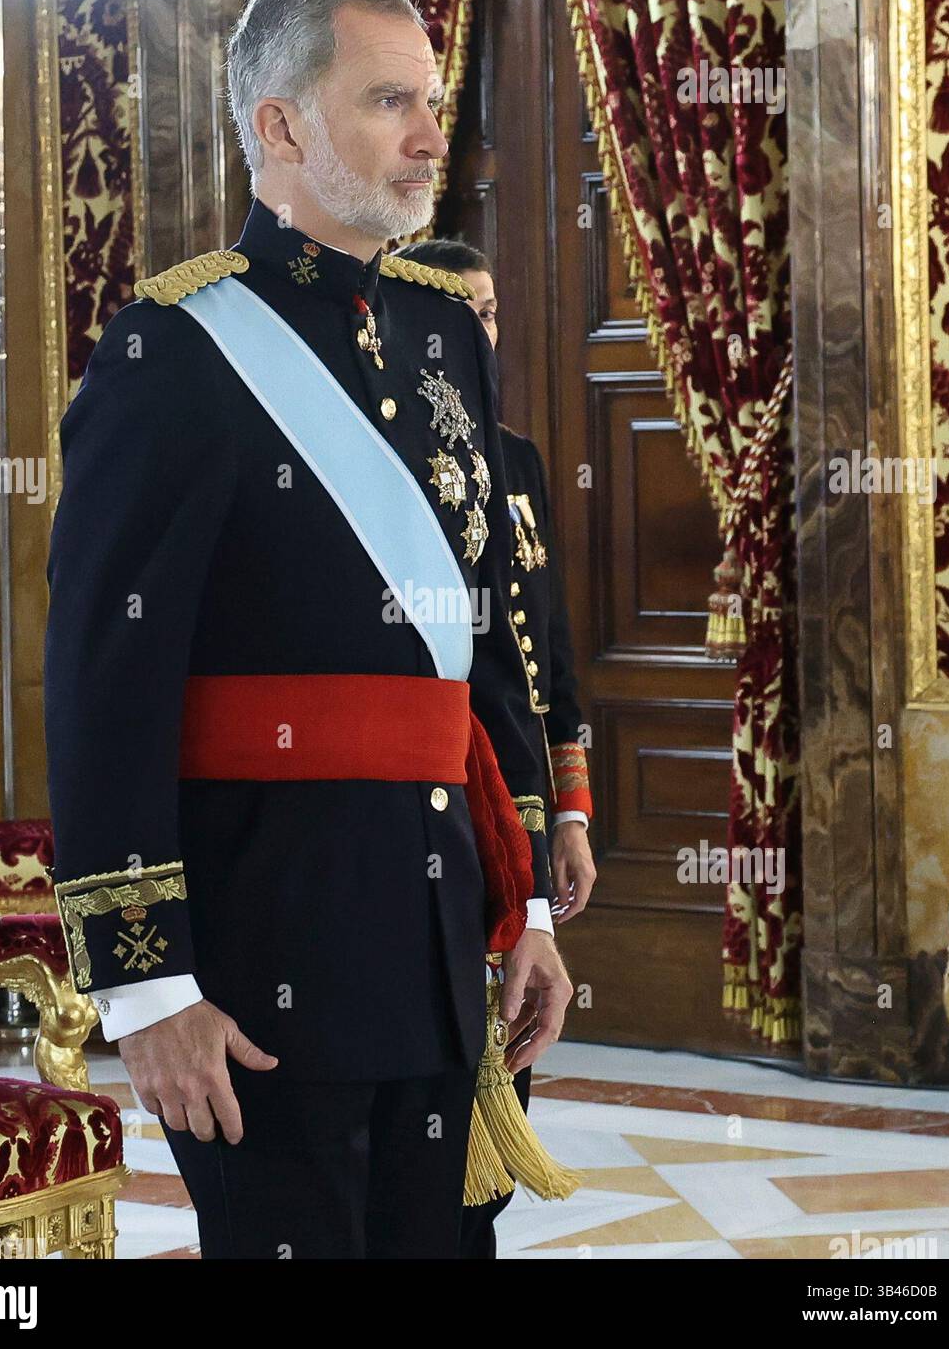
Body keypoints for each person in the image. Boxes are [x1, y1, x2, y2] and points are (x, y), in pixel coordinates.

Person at [43, 0, 573, 1260]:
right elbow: (102, 679)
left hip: (444, 930)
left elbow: (482, 642)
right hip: (260, 947)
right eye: (391, 101)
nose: (432, 136)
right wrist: (148, 985)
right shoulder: (171, 350)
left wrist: (531, 913)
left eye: (433, 102)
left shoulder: (447, 334)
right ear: (280, 128)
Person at [394, 238, 596, 1257]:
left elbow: (546, 656)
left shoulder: (512, 461)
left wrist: (569, 811)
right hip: (437, 810)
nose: (482, 330)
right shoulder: (397, 466)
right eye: (459, 313)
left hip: (518, 812)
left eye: (491, 309)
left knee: (505, 1085)